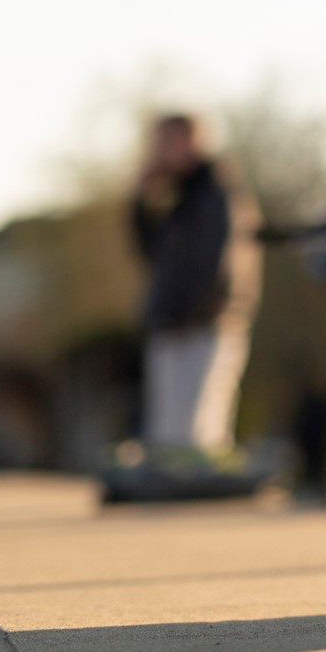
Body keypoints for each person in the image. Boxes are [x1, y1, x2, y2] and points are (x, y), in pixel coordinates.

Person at [130, 113, 260, 458]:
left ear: (191, 141)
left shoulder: (216, 193)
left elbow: (222, 264)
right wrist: (141, 203)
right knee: (167, 436)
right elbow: (151, 254)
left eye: (167, 142)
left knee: (197, 433)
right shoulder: (177, 197)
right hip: (172, 323)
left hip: (206, 324)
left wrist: (196, 312)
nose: (159, 151)